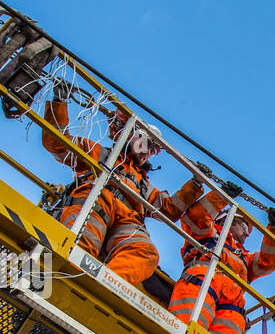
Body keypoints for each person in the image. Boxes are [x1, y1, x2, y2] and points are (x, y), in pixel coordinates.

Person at [41, 92, 202, 286]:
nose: (148, 153)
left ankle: (104, 286)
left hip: (126, 222)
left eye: (154, 151)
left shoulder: (142, 185)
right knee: (82, 242)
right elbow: (58, 145)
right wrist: (59, 101)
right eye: (148, 145)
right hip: (95, 204)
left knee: (145, 253)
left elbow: (169, 210)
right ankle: (65, 278)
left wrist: (195, 184)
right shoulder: (102, 155)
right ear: (132, 136)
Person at [167, 186, 275, 334]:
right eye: (244, 226)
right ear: (226, 220)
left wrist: (274, 229)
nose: (247, 233)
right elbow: (196, 217)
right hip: (201, 286)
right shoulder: (208, 234)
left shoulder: (244, 258)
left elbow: (269, 262)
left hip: (231, 308)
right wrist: (221, 196)